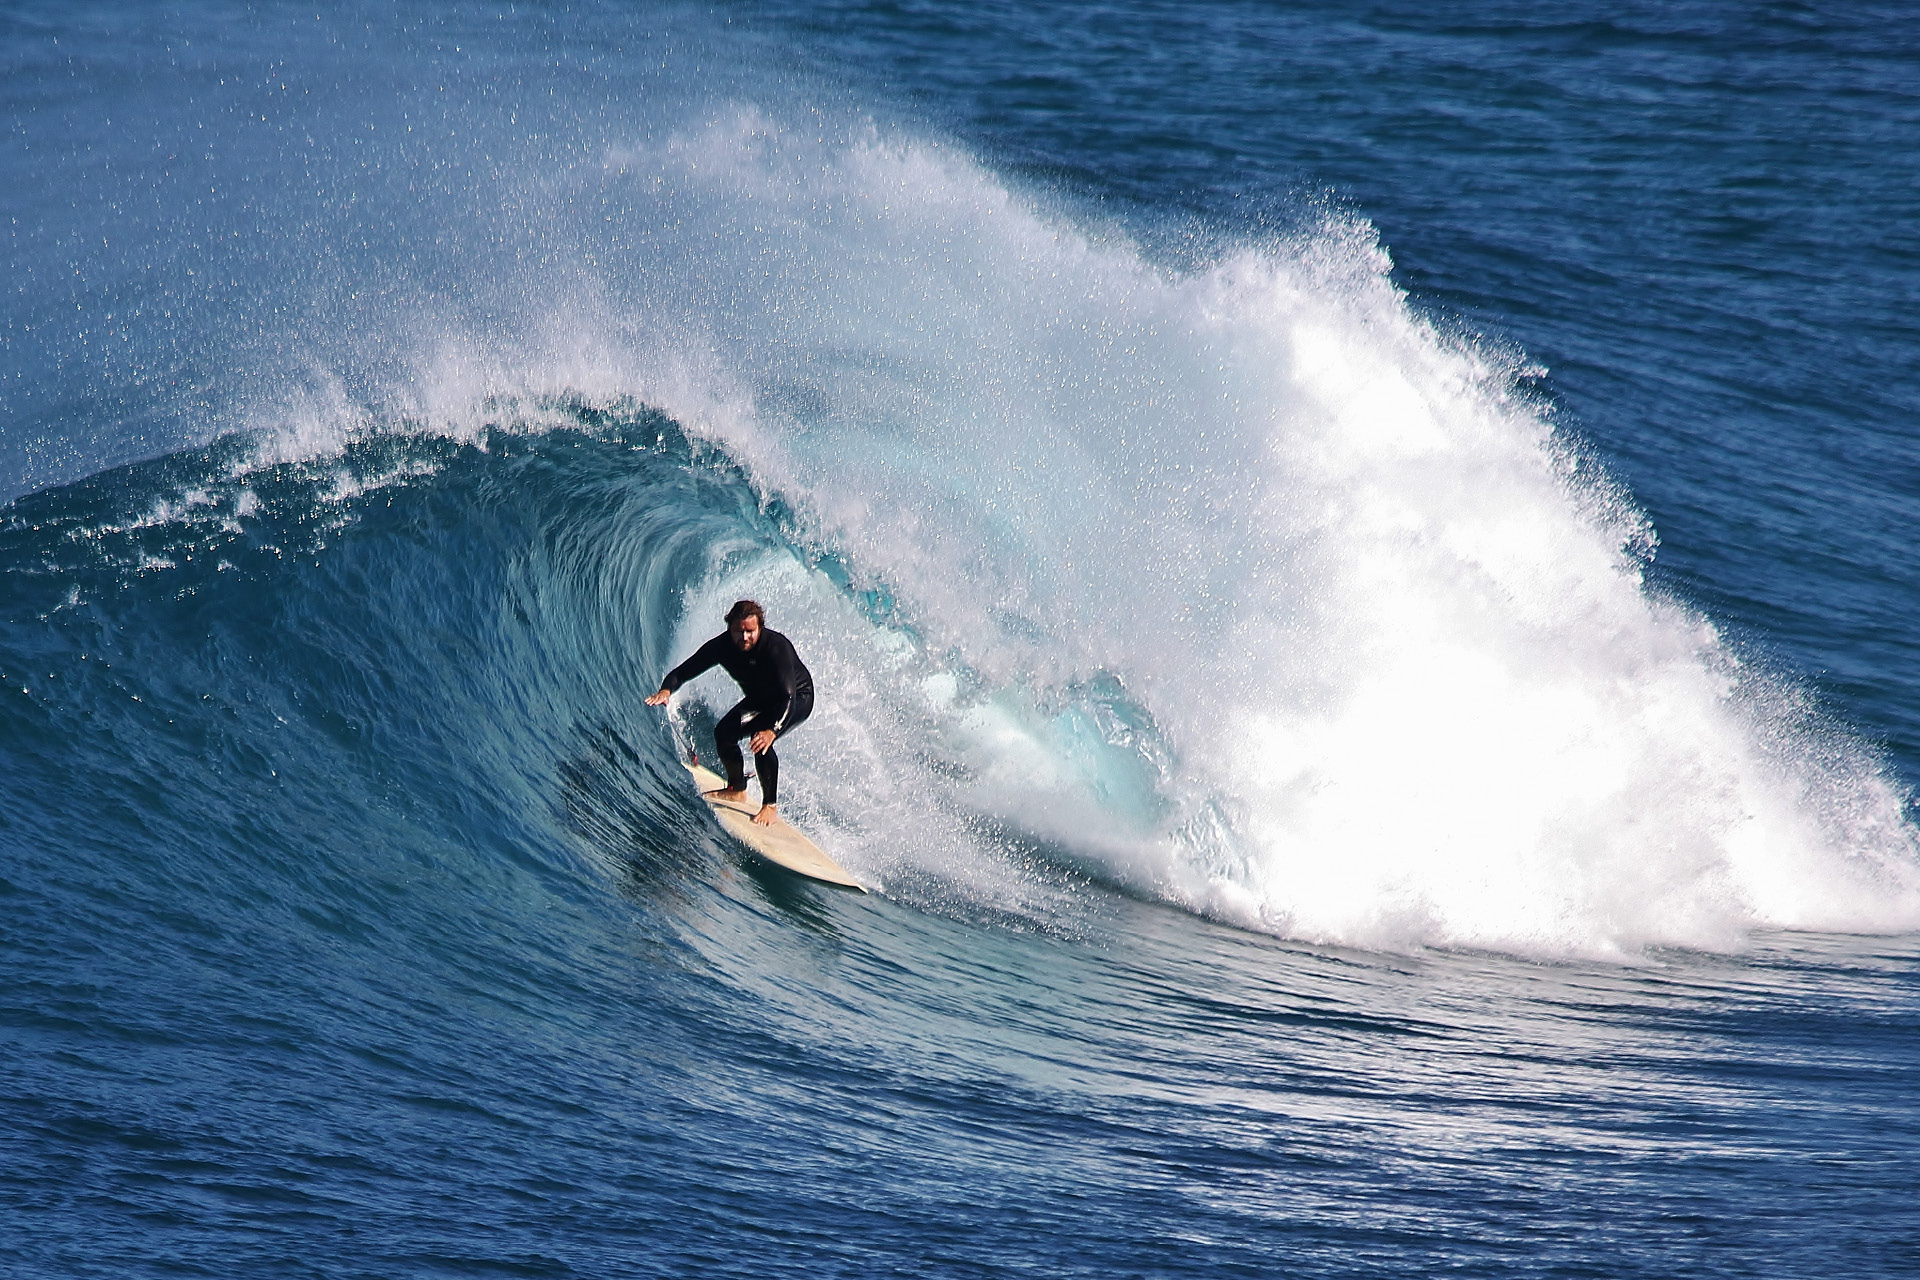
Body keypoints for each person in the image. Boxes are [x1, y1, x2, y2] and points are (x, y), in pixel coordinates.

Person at [645, 600, 814, 827]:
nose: (744, 637)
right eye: (738, 631)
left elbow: (787, 697)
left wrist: (772, 730)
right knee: (724, 732)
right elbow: (684, 671)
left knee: (760, 741)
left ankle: (770, 806)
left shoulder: (776, 647)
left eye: (750, 631)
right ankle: (736, 788)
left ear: (760, 628)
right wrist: (666, 690)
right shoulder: (722, 647)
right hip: (761, 699)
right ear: (729, 628)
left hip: (797, 699)